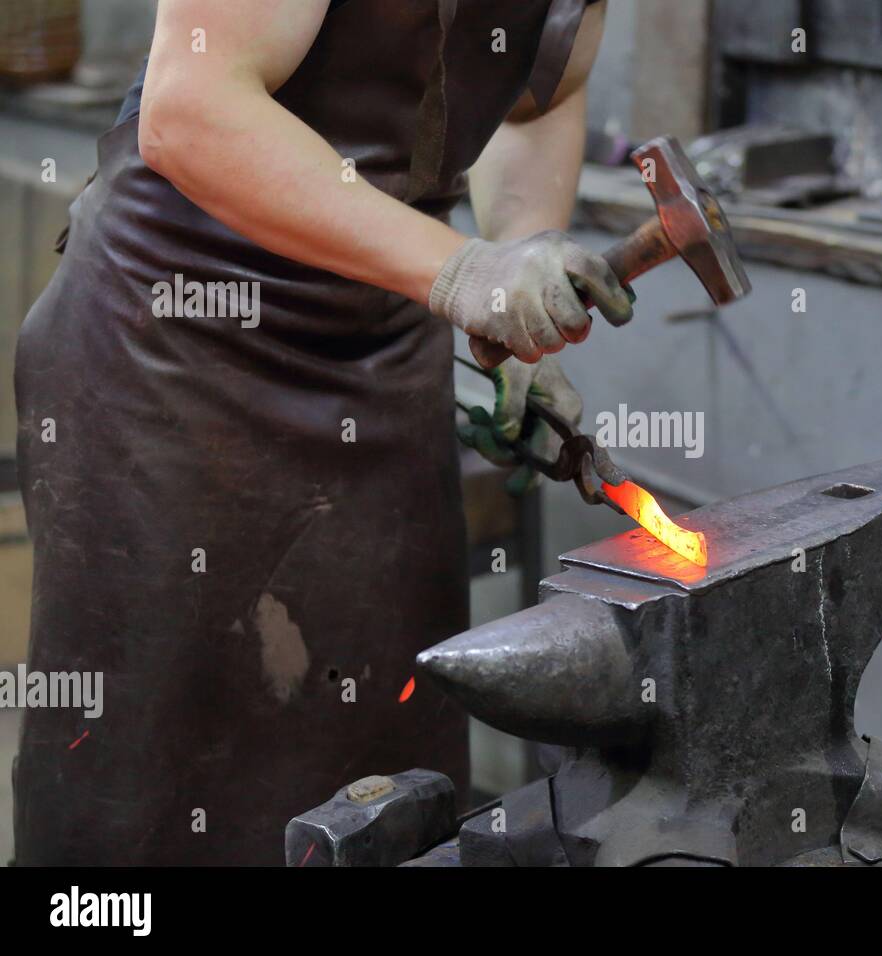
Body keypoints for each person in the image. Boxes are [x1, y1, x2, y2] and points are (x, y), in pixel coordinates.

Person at [13, 0, 630, 865]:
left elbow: (537, 101)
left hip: (379, 355)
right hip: (179, 346)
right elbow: (191, 111)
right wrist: (461, 272)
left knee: (382, 756)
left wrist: (521, 265)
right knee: (148, 767)